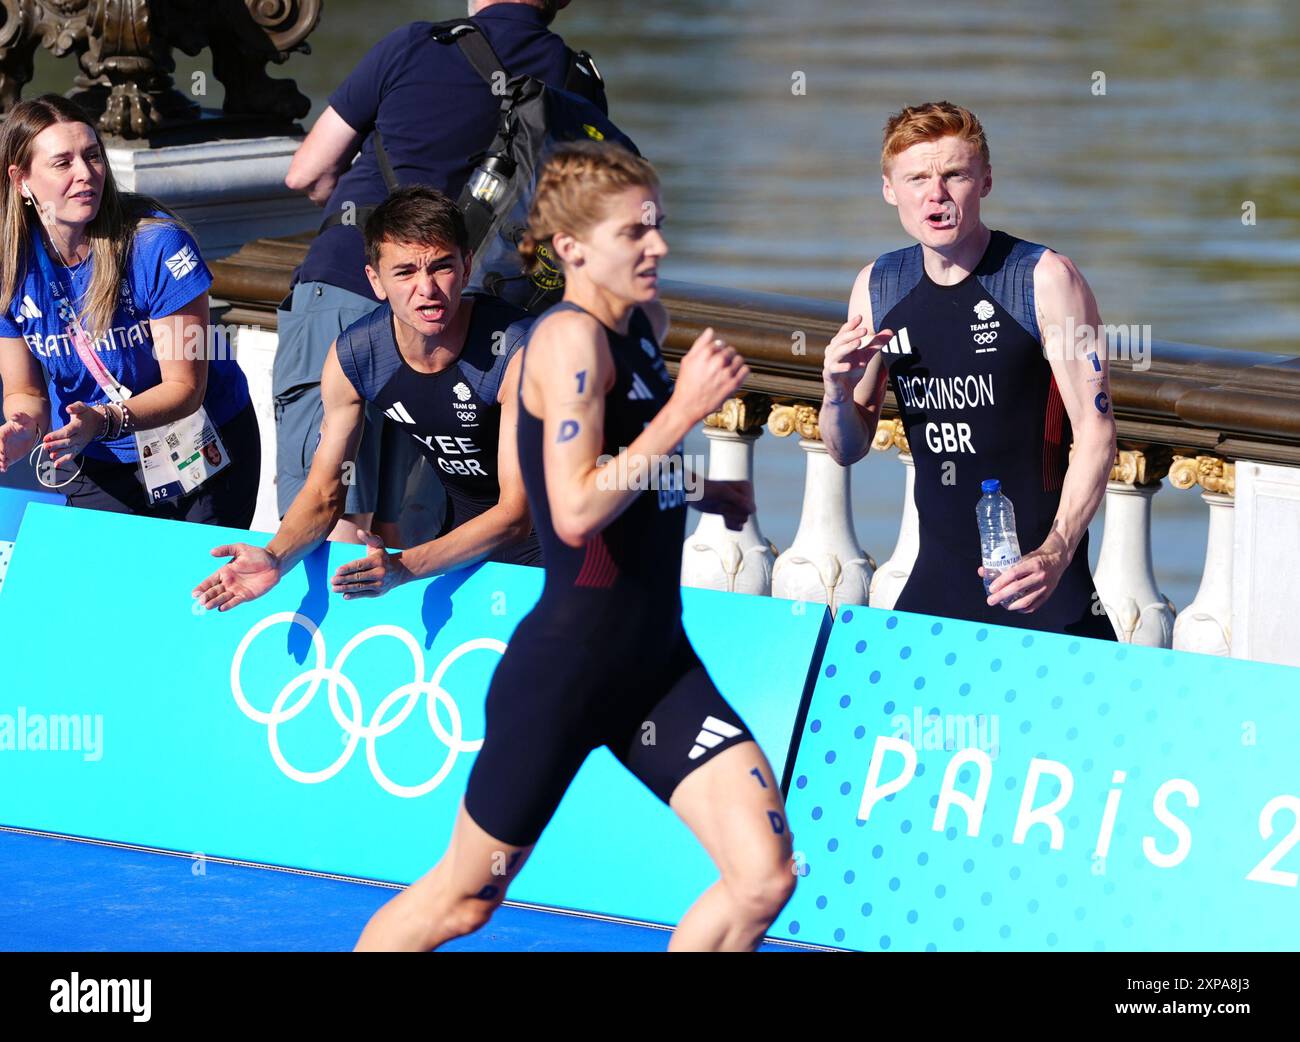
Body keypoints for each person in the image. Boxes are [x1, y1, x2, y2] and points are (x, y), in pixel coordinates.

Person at [354, 143, 795, 952]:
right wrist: (685, 410)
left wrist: (699, 489)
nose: (657, 247)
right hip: (567, 670)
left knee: (763, 876)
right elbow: (574, 510)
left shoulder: (641, 327)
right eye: (637, 233)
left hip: (656, 667)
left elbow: (621, 456)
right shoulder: (567, 342)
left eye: (657, 227)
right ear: (572, 248)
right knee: (462, 900)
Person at [277, 0, 605, 547]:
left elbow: (306, 172)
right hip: (465, 326)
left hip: (350, 284)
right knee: (412, 528)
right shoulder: (577, 79)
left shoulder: (415, 44)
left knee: (331, 520)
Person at [819, 101, 1118, 640]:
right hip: (933, 591)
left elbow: (1097, 435)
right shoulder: (879, 285)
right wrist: (836, 394)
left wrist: (1054, 552)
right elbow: (846, 447)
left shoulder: (1044, 279)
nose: (936, 193)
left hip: (1044, 592)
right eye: (916, 178)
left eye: (954, 174)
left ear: (984, 182)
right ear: (890, 190)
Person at [193, 186, 539, 610]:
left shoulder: (518, 350)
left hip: (568, 536)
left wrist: (404, 567)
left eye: (441, 267)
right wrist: (276, 556)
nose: (426, 289)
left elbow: (516, 512)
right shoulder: (354, 356)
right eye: (405, 272)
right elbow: (324, 493)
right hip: (471, 535)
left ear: (467, 268)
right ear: (375, 280)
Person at [0, 94, 258, 526]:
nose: (86, 174)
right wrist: (22, 425)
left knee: (192, 588)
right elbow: (25, 390)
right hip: (97, 454)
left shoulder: (157, 244)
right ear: (22, 180)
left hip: (199, 444)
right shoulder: (10, 264)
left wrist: (103, 419)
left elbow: (185, 388)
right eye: (62, 163)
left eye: (93, 156)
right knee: (111, 588)